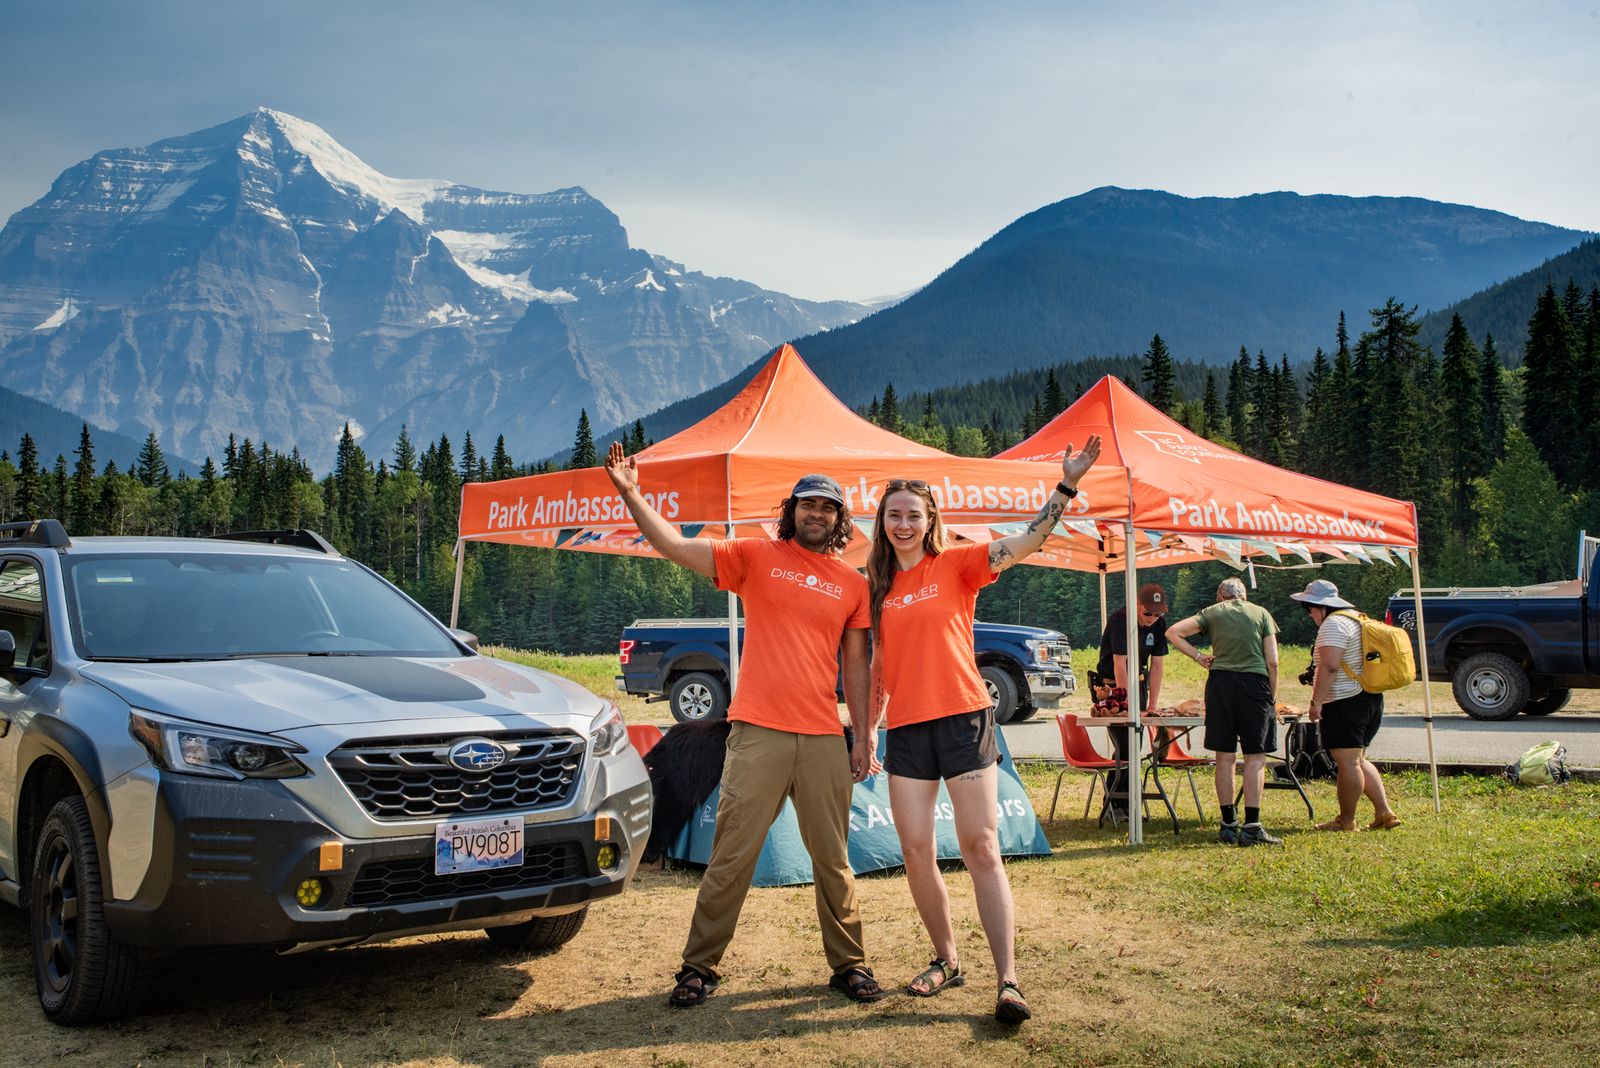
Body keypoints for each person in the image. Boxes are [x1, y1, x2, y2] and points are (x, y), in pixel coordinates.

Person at [603, 442, 886, 1007]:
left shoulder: (852, 584)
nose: (816, 514)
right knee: (732, 855)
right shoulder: (755, 556)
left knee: (833, 860)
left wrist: (864, 732)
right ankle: (699, 968)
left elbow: (856, 666)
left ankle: (849, 965)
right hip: (756, 732)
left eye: (827, 508)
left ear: (838, 520)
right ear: (792, 511)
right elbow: (677, 547)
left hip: (825, 737)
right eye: (807, 505)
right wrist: (632, 493)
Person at [863, 434, 1101, 1025]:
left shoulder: (960, 563)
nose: (902, 524)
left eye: (912, 515)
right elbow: (878, 667)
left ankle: (1009, 980)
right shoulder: (877, 587)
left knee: (981, 849)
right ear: (882, 520)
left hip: (966, 718)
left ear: (929, 519)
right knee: (916, 852)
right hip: (908, 731)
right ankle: (946, 959)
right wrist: (866, 730)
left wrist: (1066, 485)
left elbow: (1029, 540)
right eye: (893, 514)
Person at [1165, 577, 1282, 846]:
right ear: (1244, 596)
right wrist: (1272, 699)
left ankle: (1228, 823)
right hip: (1255, 685)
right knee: (1255, 756)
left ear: (1220, 596)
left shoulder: (1211, 613)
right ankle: (1252, 825)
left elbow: (1172, 632)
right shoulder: (1261, 614)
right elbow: (1273, 661)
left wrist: (1198, 656)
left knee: (1224, 756)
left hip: (1220, 685)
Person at [1291, 579, 1402, 832]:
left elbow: (1329, 666)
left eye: (1308, 609)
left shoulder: (1333, 624)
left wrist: (1316, 702)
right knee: (1359, 759)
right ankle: (1384, 812)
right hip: (1371, 697)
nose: (1308, 614)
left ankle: (1346, 820)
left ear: (1319, 606)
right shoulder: (1357, 618)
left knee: (1348, 762)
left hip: (1345, 700)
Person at [1092, 583, 1170, 821]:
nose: (1152, 619)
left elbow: (1157, 666)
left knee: (1134, 747)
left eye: (1158, 614)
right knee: (1125, 745)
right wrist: (1127, 704)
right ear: (1138, 605)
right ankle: (1114, 804)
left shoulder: (1158, 625)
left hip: (1138, 683)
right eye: (1148, 613)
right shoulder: (1120, 620)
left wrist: (1152, 705)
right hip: (1111, 687)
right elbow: (1119, 663)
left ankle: (1125, 802)